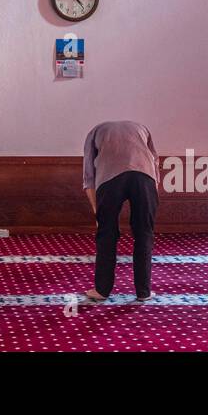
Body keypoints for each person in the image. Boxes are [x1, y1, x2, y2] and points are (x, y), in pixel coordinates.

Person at [81, 120, 159, 304]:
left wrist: (97, 213)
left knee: (106, 234)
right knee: (144, 233)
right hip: (145, 178)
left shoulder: (94, 131)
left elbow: (89, 178)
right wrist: (152, 196)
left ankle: (101, 290)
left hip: (110, 179)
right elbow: (155, 163)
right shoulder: (143, 128)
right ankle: (144, 291)